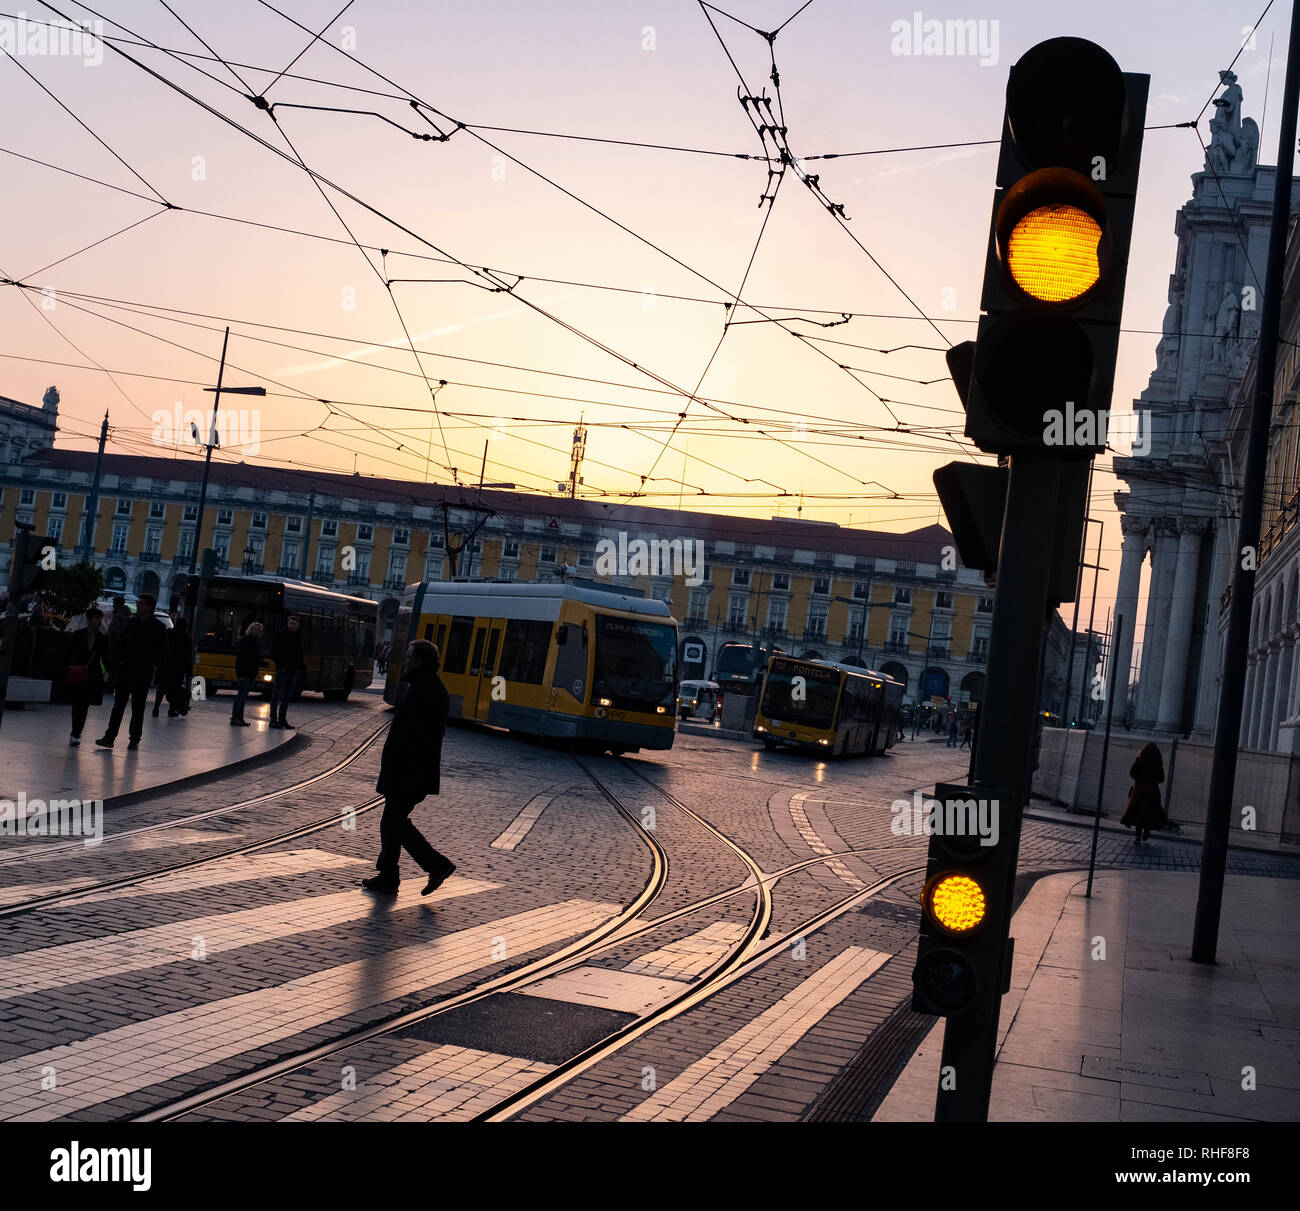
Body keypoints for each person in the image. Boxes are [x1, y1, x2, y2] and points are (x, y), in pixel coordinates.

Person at [362, 639, 455, 896]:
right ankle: (389, 876)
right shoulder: (425, 686)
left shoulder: (426, 689)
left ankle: (436, 865)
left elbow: (414, 736)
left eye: (409, 657)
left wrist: (397, 766)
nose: (405, 661)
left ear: (419, 660)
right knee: (392, 822)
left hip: (409, 772)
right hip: (410, 771)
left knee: (394, 822)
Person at [96, 594, 167, 751]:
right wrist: (115, 665)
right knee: (118, 705)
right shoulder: (131, 623)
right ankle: (109, 737)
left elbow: (161, 652)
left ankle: (134, 739)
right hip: (126, 669)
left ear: (149, 607)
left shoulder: (158, 627)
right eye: (138, 603)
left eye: (141, 603)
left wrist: (155, 666)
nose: (139, 606)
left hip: (143, 672)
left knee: (138, 707)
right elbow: (121, 645)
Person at [66, 607, 108, 746]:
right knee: (77, 705)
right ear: (89, 620)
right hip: (78, 673)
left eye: (100, 618)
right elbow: (70, 652)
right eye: (96, 618)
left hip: (91, 676)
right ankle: (75, 731)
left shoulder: (102, 638)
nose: (99, 621)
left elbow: (106, 657)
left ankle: (77, 732)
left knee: (83, 706)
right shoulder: (78, 634)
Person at [1121, 741, 1167, 846]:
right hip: (1152, 790)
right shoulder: (1157, 763)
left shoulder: (1139, 760)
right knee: (1149, 812)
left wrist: (1139, 779)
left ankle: (1138, 835)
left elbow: (1132, 772)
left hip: (1139, 790)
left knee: (1138, 812)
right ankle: (1146, 832)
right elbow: (1161, 778)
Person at [269, 614, 305, 729]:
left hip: (293, 670)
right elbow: (274, 653)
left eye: (294, 624)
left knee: (287, 697)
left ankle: (282, 719)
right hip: (282, 670)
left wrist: (299, 667)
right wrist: (281, 665)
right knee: (277, 695)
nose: (292, 626)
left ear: (298, 625)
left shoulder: (298, 637)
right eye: (290, 623)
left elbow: (299, 654)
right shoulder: (280, 636)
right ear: (287, 624)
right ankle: (273, 720)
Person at [153, 617, 192, 718]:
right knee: (174, 690)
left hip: (164, 666)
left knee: (161, 688)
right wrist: (188, 671)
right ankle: (171, 710)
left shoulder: (168, 633)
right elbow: (188, 656)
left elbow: (159, 647)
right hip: (178, 669)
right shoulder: (186, 639)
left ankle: (156, 708)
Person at [231, 621, 264, 727]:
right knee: (241, 695)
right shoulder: (245, 642)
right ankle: (236, 717)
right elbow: (240, 659)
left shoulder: (256, 642)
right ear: (254, 631)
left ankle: (239, 717)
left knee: (243, 696)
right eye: (260, 631)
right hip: (245, 673)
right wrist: (239, 674)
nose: (261, 633)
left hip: (251, 673)